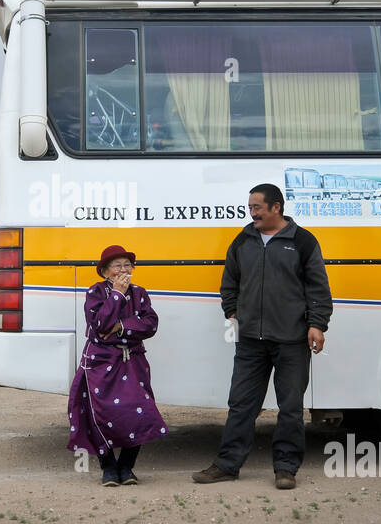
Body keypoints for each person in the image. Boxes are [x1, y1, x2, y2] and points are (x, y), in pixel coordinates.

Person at [192, 183, 332, 490]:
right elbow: (229, 280)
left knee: (290, 407)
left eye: (257, 207)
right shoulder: (243, 240)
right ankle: (228, 464)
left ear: (276, 208)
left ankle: (286, 468)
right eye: (250, 207)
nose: (251, 213)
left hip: (292, 341)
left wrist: (317, 324)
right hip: (251, 342)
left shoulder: (303, 241)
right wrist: (232, 311)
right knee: (241, 404)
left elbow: (318, 287)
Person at [66, 245, 168, 486]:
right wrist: (117, 295)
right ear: (104, 272)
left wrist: (121, 327)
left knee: (141, 411)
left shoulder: (140, 293)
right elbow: (101, 324)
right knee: (99, 415)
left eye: (127, 265)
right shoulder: (95, 293)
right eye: (117, 265)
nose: (123, 270)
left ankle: (126, 467)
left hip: (132, 360)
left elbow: (150, 324)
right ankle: (109, 468)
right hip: (100, 362)